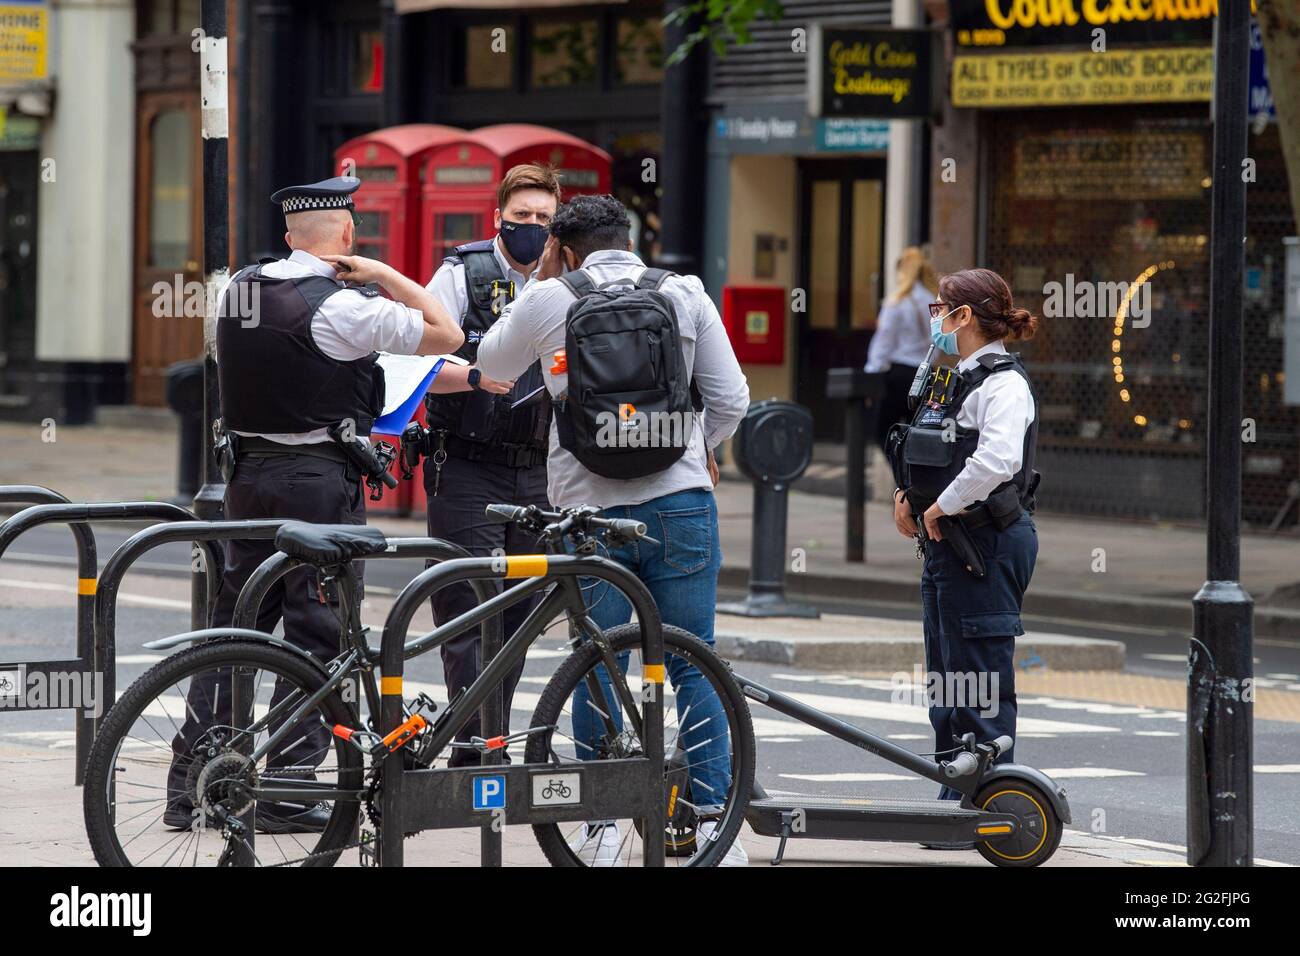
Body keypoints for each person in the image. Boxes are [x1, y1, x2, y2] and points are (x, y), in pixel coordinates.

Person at [165, 176, 462, 832]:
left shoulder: (239, 292)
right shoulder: (342, 307)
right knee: (317, 635)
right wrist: (384, 273)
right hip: (316, 486)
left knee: (235, 628)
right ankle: (288, 790)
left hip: (248, 482)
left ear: (289, 234)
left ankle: (189, 785)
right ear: (349, 236)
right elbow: (446, 332)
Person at [475, 194, 750, 864]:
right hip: (681, 503)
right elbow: (733, 398)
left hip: (588, 510)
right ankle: (714, 824)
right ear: (628, 239)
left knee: (596, 662)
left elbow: (489, 369)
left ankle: (598, 826)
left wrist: (540, 284)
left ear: (561, 247)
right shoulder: (684, 294)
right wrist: (698, 450)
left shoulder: (548, 299)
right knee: (693, 660)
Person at [887, 267, 1041, 849]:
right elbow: (922, 447)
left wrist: (939, 508)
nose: (934, 321)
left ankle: (986, 806)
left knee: (977, 678)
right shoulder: (952, 376)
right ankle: (954, 790)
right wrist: (908, 498)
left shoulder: (1003, 384)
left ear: (964, 317)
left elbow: (996, 461)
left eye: (940, 310)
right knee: (947, 679)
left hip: (984, 543)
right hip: (948, 543)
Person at [420, 163, 560, 764]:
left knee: (520, 618)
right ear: (498, 216)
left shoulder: (562, 281)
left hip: (537, 471)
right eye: (522, 216)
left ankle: (485, 740)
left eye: (544, 219)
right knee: (469, 611)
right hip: (468, 466)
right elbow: (414, 359)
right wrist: (476, 377)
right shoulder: (461, 274)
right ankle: (477, 748)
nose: (532, 228)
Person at [864, 247, 938, 453]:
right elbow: (937, 342)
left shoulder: (897, 302)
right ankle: (914, 477)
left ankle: (902, 476)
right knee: (919, 432)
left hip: (899, 375)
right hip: (926, 374)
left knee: (884, 432)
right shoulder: (932, 301)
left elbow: (883, 343)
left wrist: (871, 376)